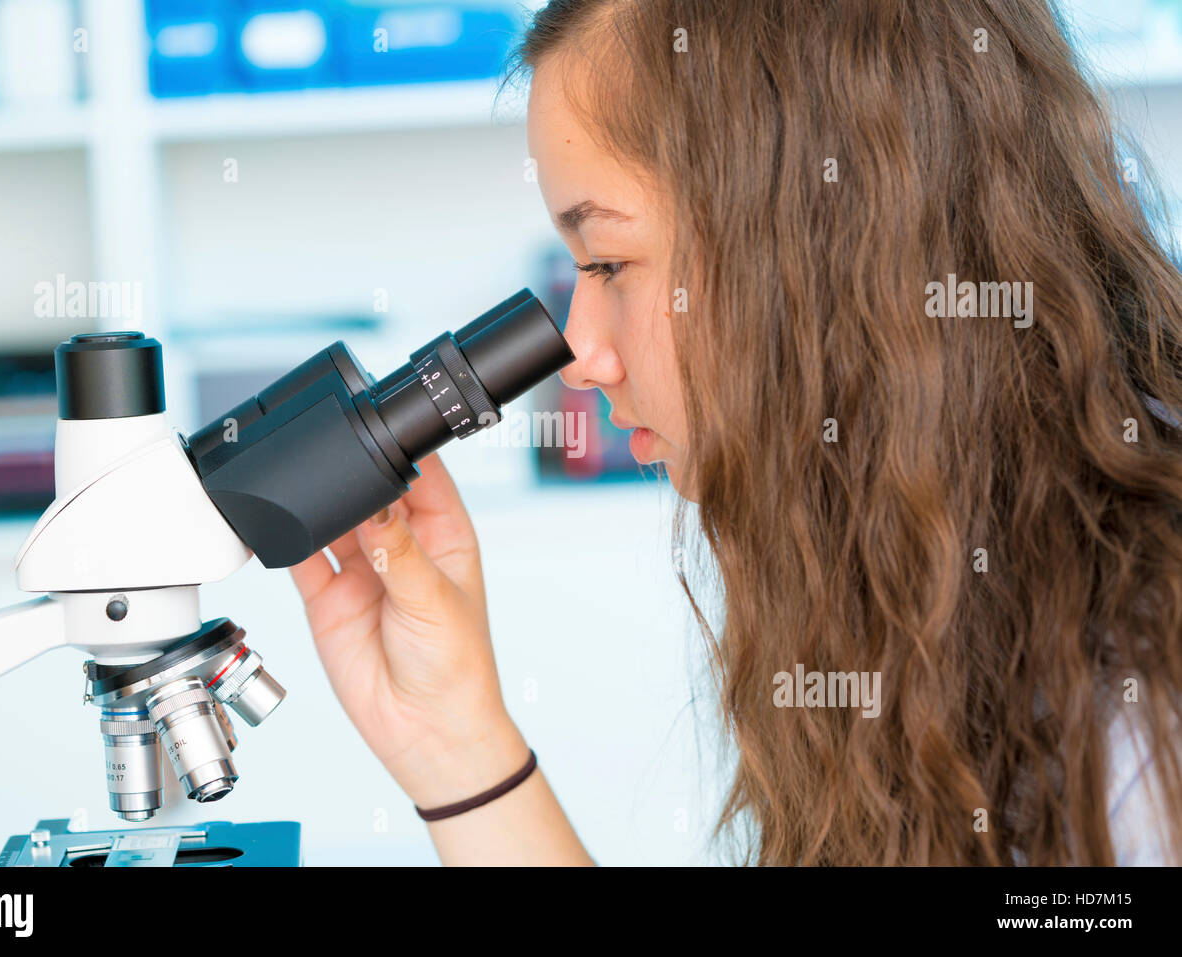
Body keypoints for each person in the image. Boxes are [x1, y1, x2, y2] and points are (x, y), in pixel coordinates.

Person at [292, 0, 1182, 865]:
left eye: (608, 262)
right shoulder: (895, 577)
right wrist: (455, 738)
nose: (583, 354)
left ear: (817, 236)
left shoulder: (1143, 689)